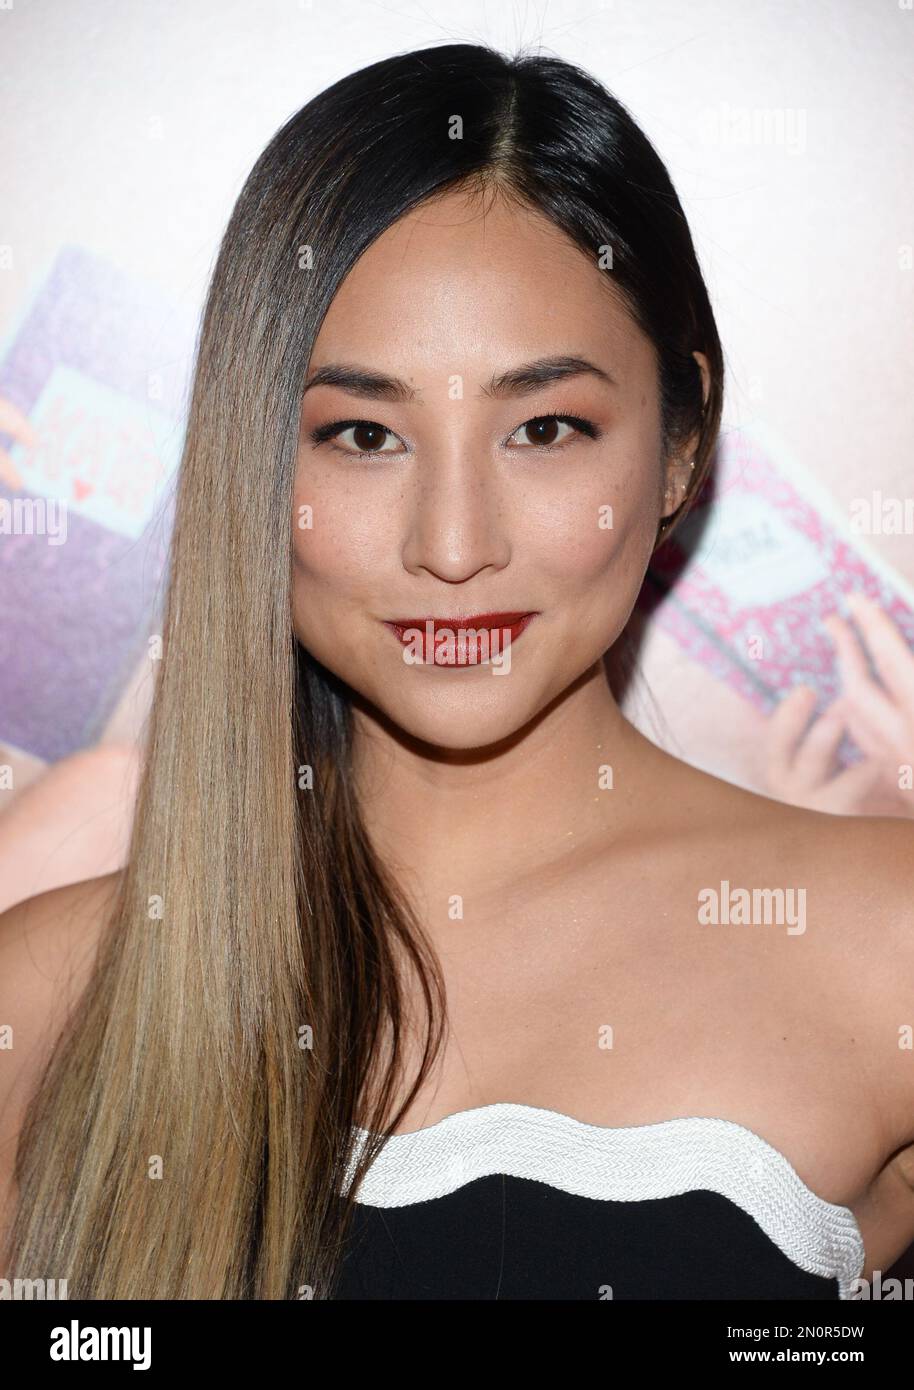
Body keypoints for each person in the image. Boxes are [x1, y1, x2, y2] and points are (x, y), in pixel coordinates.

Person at [1, 41, 912, 1302]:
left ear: (678, 444)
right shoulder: (44, 998)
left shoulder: (883, 938)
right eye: (362, 434)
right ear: (250, 463)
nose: (452, 546)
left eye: (544, 428)